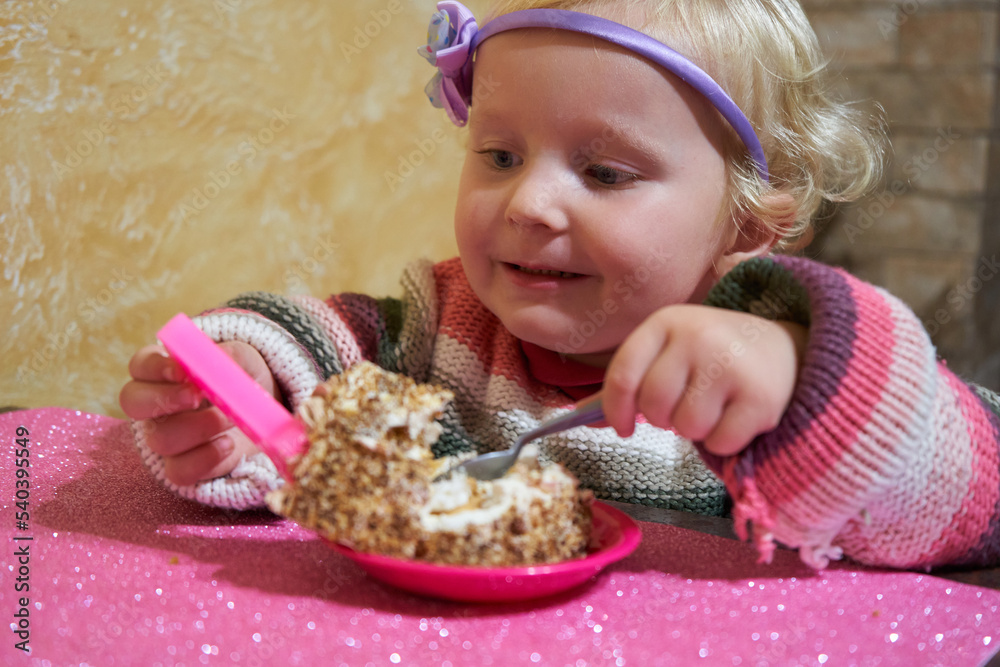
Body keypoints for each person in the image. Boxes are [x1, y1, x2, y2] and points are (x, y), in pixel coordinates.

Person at [119, 0, 1000, 571]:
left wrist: (809, 386)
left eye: (607, 173)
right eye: (499, 156)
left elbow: (975, 489)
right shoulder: (445, 325)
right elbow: (322, 343)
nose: (530, 202)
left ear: (745, 223)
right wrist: (247, 388)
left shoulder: (777, 363)